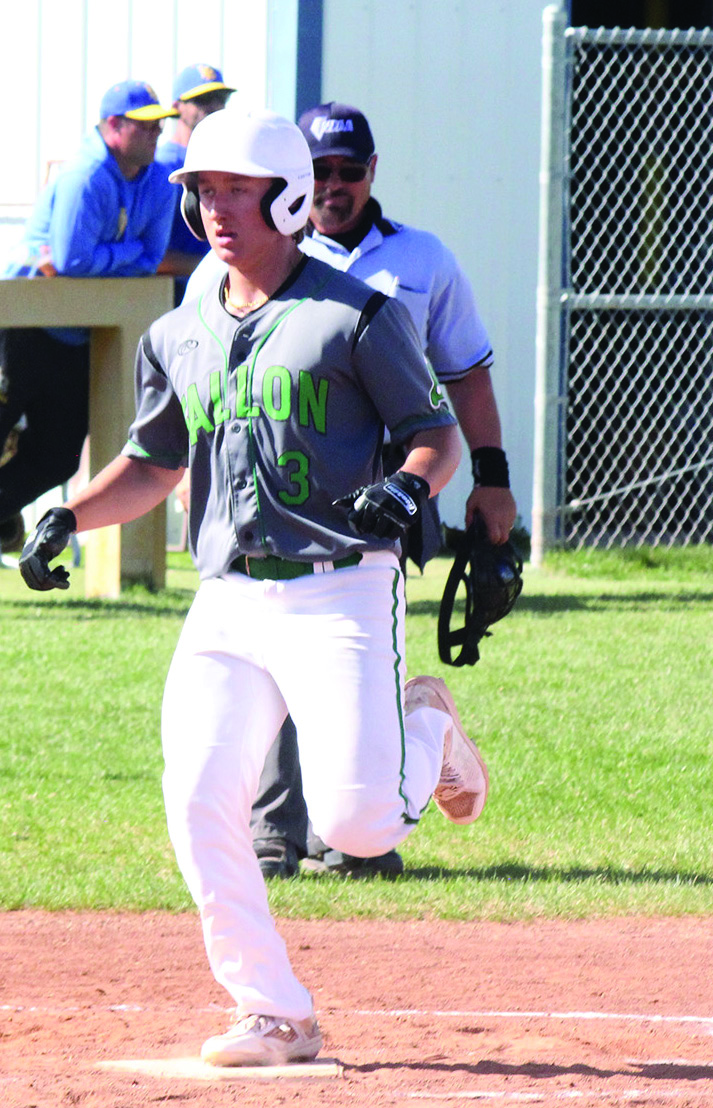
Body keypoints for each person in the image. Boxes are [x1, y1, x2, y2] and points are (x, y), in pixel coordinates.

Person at [18, 108, 488, 1067]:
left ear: (286, 195)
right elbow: (153, 461)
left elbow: (435, 434)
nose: (216, 207)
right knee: (196, 796)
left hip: (341, 588)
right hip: (228, 596)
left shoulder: (357, 313)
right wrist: (71, 511)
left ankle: (430, 726)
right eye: (200, 190)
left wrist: (408, 487)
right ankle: (273, 1008)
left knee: (354, 825)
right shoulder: (184, 326)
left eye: (236, 188)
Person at [187, 101, 516, 880]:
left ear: (372, 173)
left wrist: (492, 479)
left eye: (350, 169)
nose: (335, 184)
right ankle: (275, 828)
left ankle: (355, 825)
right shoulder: (233, 266)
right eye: (321, 169)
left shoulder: (420, 260)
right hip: (268, 506)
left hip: (378, 502)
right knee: (262, 660)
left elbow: (465, 376)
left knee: (345, 659)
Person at [0, 80, 176, 603]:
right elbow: (76, 262)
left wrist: (106, 258)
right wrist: (118, 257)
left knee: (58, 458)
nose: (156, 132)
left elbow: (143, 259)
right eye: (145, 123)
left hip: (77, 333)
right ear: (112, 128)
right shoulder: (85, 175)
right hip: (21, 328)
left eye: (158, 123)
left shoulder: (158, 181)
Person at [156, 64, 236, 302]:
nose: (212, 106)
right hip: (173, 295)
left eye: (219, 98)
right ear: (176, 107)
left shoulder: (229, 161)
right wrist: (216, 266)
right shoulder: (161, 167)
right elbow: (153, 257)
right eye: (201, 100)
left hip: (223, 291)